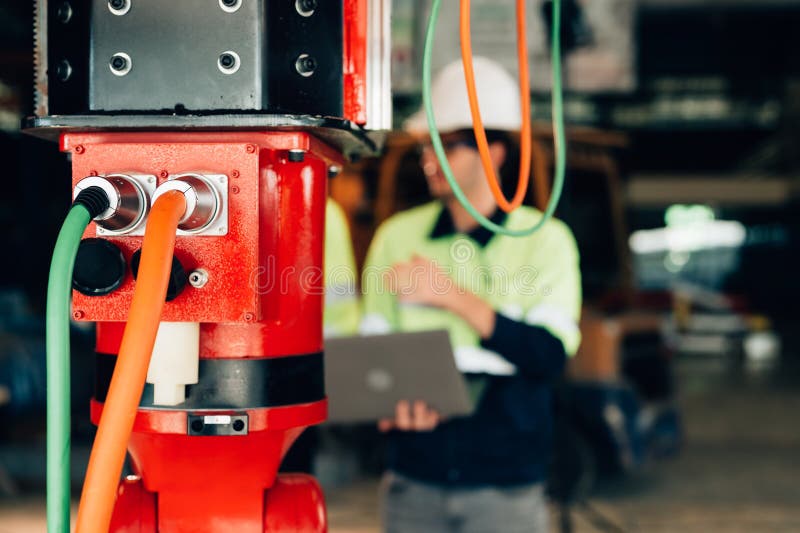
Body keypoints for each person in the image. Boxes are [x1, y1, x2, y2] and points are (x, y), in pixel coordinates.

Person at [360, 57, 582, 532]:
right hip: (412, 482)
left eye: (448, 146)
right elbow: (368, 358)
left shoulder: (546, 240)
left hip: (505, 487)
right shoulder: (396, 238)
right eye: (425, 148)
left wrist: (450, 295)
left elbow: (546, 355)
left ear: (494, 151)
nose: (429, 160)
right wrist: (387, 403)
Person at [281, 197, 360, 473]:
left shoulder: (319, 207)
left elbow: (340, 308)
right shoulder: (320, 206)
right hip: (298, 370)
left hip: (296, 373)